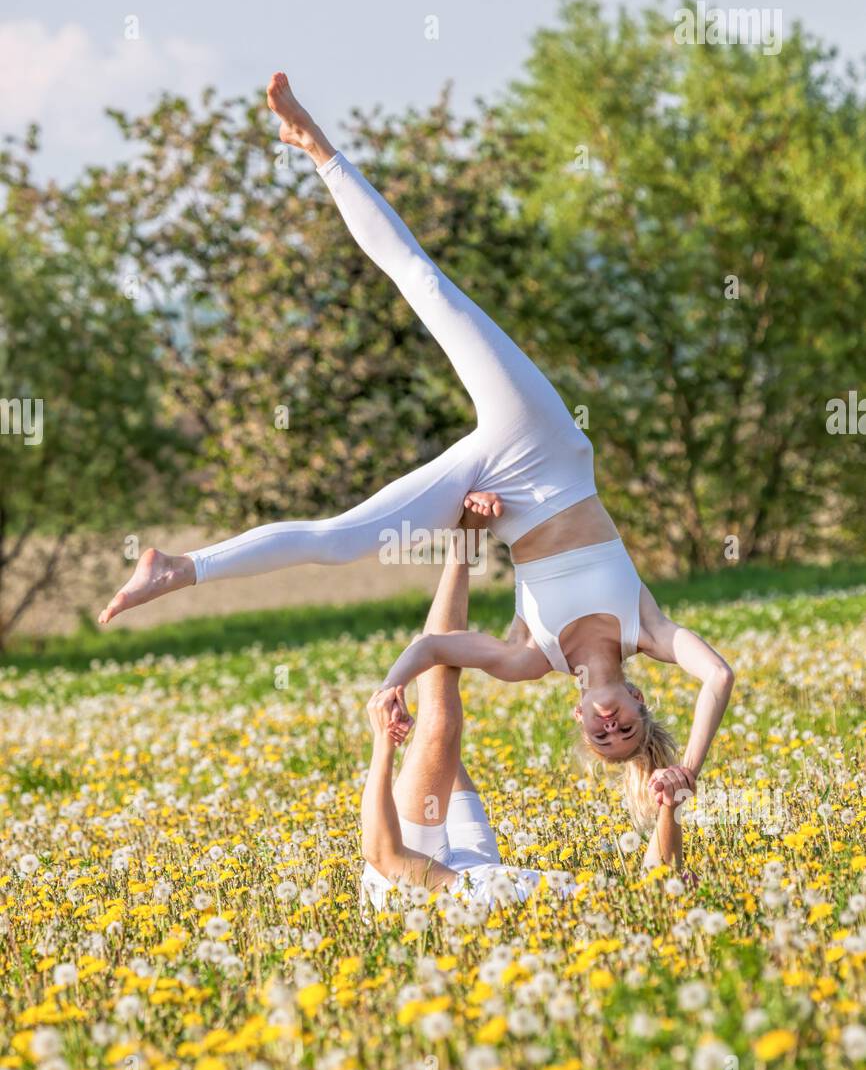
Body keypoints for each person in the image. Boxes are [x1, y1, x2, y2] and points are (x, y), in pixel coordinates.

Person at [98, 72, 733, 832]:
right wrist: (687, 769)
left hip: (490, 493)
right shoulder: (647, 631)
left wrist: (392, 685)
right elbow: (719, 675)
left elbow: (435, 646)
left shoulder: (530, 657)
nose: (610, 728)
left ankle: (179, 568)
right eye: (625, 728)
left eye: (603, 740)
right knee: (427, 286)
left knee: (342, 541)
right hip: (543, 443)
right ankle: (318, 148)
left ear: (580, 718)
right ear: (636, 698)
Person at [361, 528, 577, 911]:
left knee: (440, 721)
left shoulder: (460, 898)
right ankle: (462, 559)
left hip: (412, 889)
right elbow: (660, 876)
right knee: (440, 732)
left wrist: (384, 743)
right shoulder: (606, 899)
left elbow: (382, 854)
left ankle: (464, 541)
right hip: (481, 866)